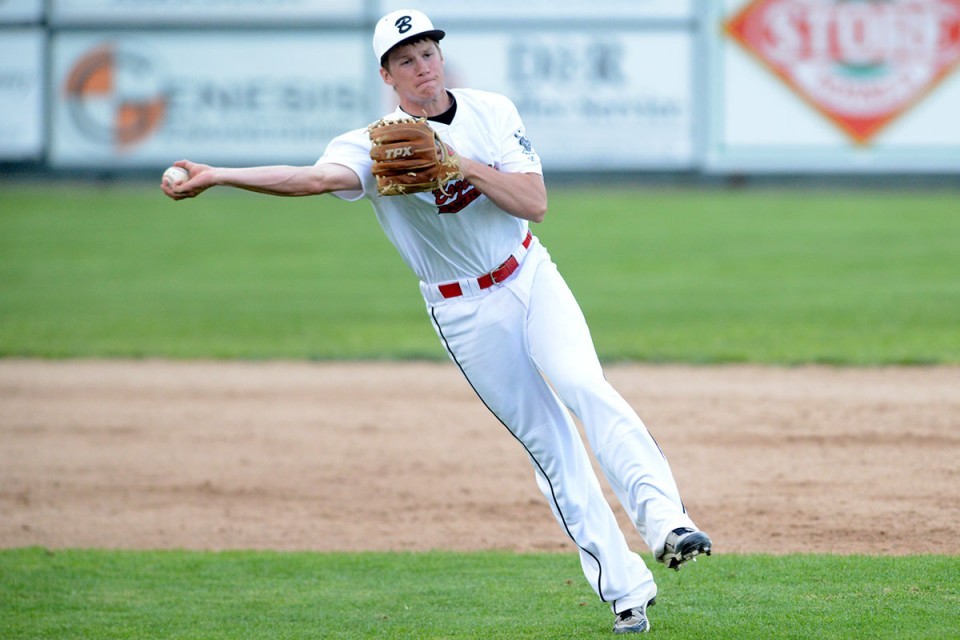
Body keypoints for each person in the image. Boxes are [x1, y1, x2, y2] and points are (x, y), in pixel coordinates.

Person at [162, 9, 711, 634]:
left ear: (441, 58)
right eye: (405, 59)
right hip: (464, 310)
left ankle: (667, 523)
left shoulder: (492, 111)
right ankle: (626, 596)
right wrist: (221, 176)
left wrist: (460, 163)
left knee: (585, 386)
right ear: (387, 75)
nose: (421, 66)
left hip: (529, 274)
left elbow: (534, 203)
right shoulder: (374, 144)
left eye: (427, 52)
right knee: (551, 447)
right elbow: (311, 179)